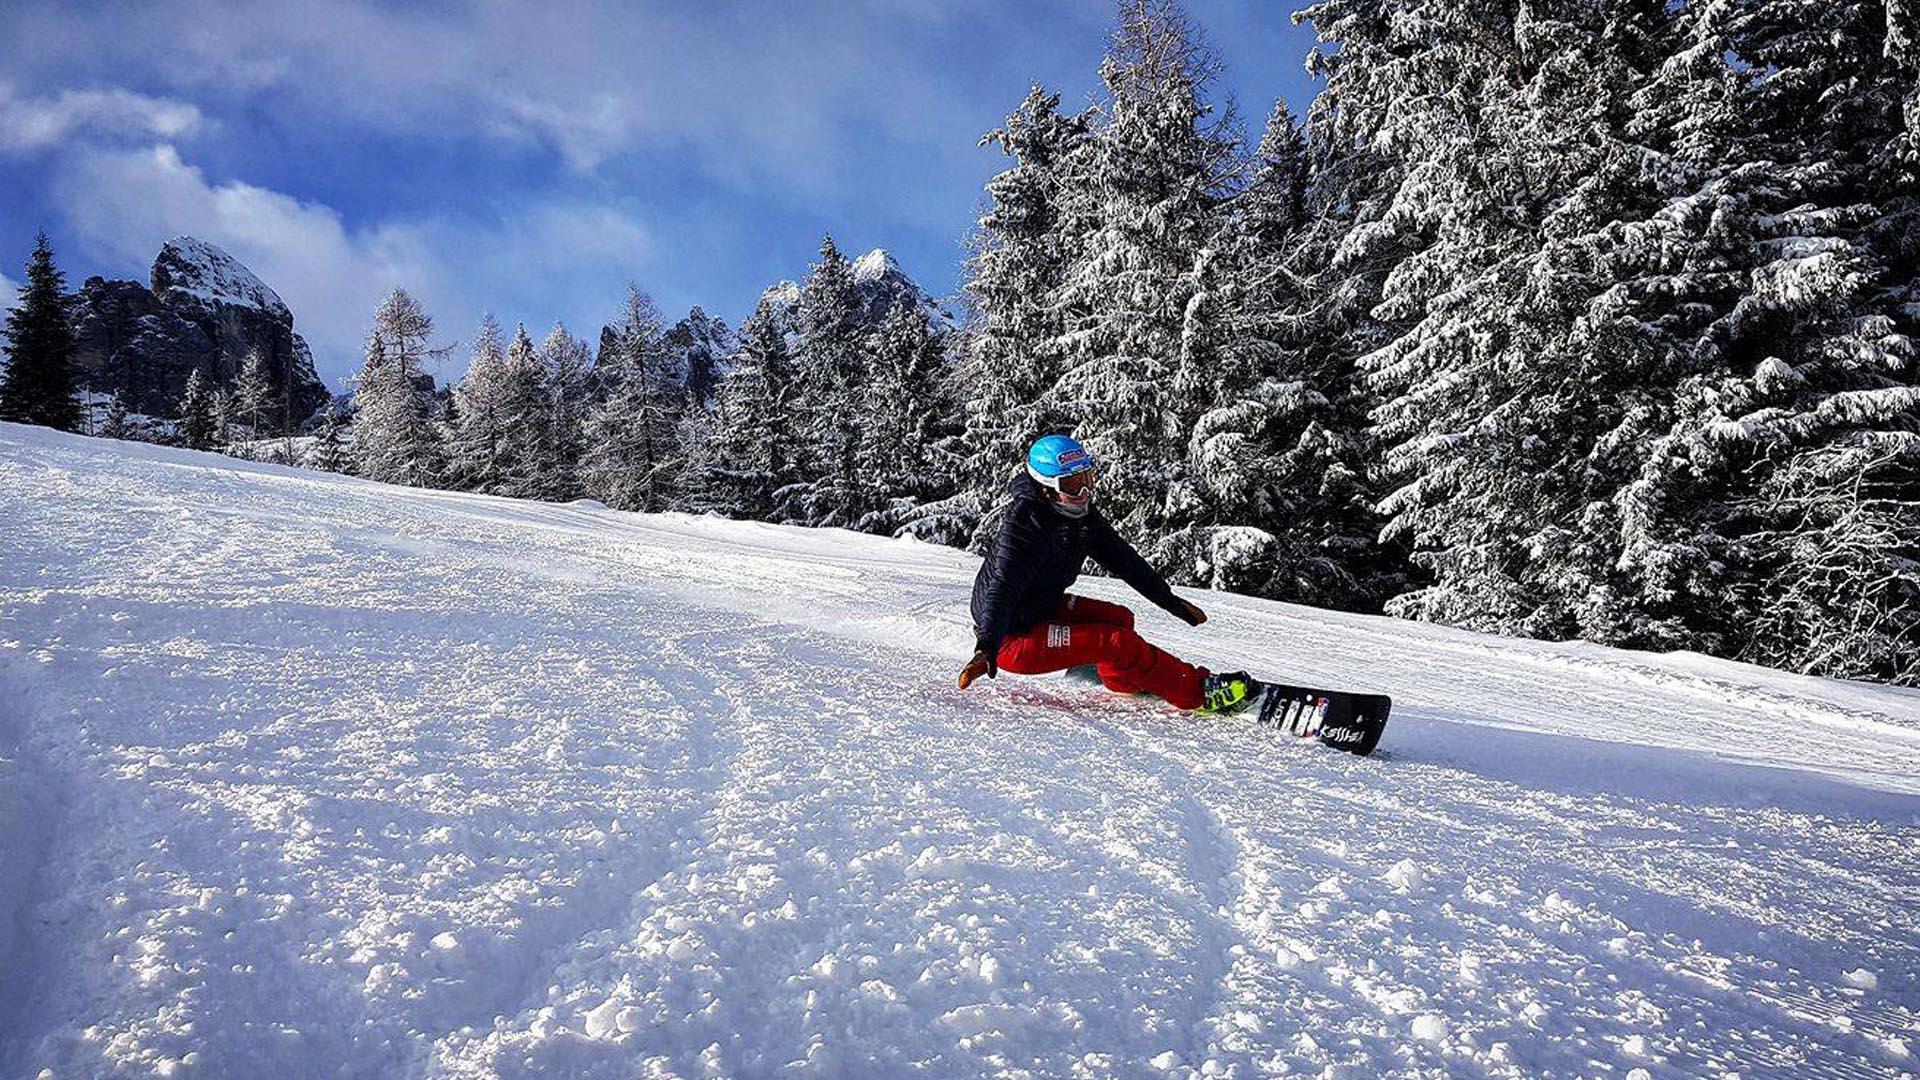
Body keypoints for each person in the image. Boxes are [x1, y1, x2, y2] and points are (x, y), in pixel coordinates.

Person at [958, 434, 1255, 713]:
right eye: (1073, 484)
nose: (1084, 492)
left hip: (1038, 610)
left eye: (1087, 479)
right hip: (1010, 638)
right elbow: (1001, 590)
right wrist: (987, 647)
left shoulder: (1079, 517)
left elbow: (1125, 561)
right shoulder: (1025, 527)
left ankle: (1124, 681)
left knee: (1120, 619)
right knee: (1116, 642)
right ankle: (1200, 692)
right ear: (1047, 489)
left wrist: (1171, 602)